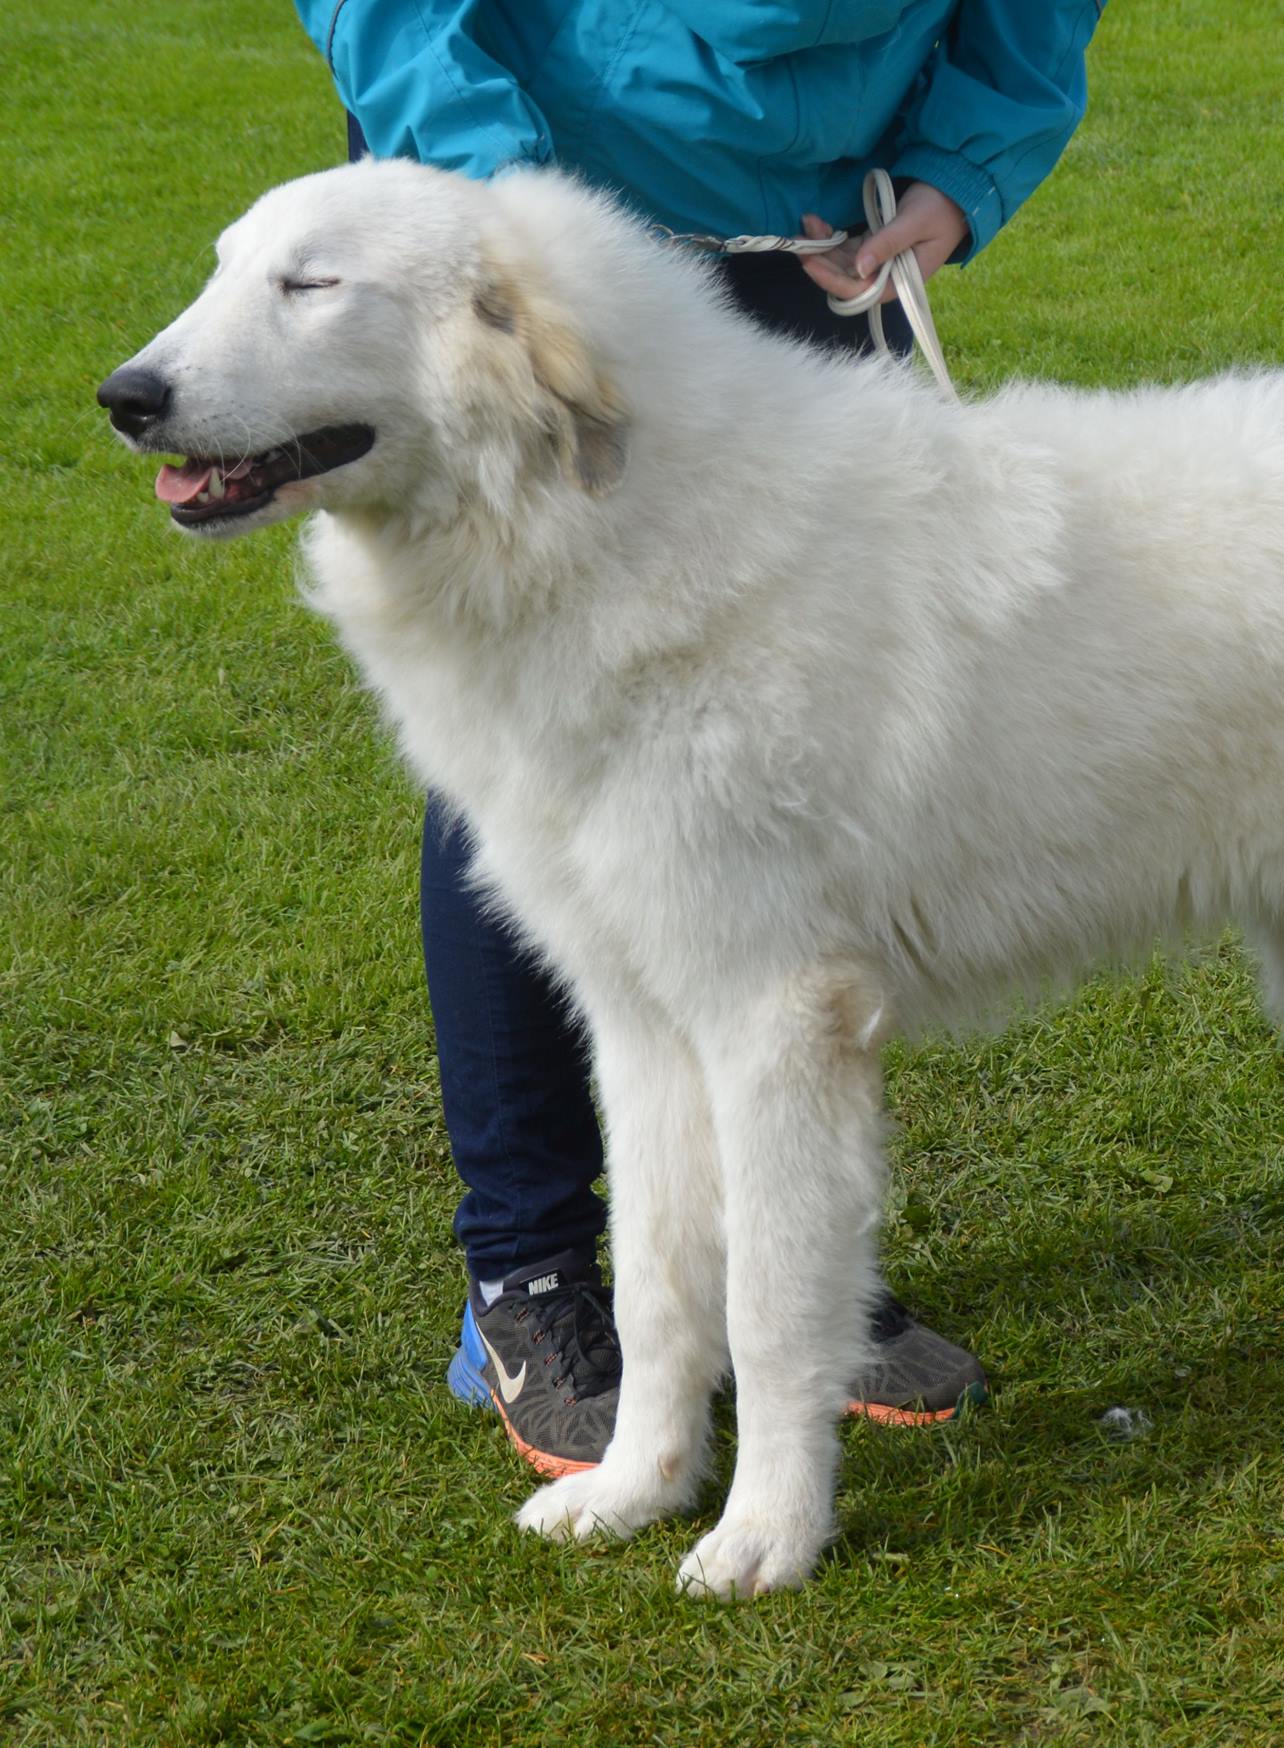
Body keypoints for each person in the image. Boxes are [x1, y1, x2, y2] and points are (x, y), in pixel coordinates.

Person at [292, 0, 1101, 1477]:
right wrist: (516, 216)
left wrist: (964, 162)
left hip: (790, 223)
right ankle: (528, 1277)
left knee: (764, 809)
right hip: (509, 213)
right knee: (540, 750)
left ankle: (769, 1280)